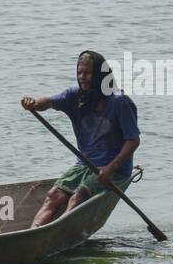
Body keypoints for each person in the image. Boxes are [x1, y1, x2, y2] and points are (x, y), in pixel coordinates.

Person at [20, 50, 140, 228]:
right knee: (54, 195)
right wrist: (34, 104)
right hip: (84, 164)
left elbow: (133, 141)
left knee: (79, 196)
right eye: (79, 72)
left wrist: (110, 168)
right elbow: (48, 102)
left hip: (114, 170)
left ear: (100, 75)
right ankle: (33, 233)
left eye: (88, 73)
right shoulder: (75, 96)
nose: (82, 77)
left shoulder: (119, 102)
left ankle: (55, 233)